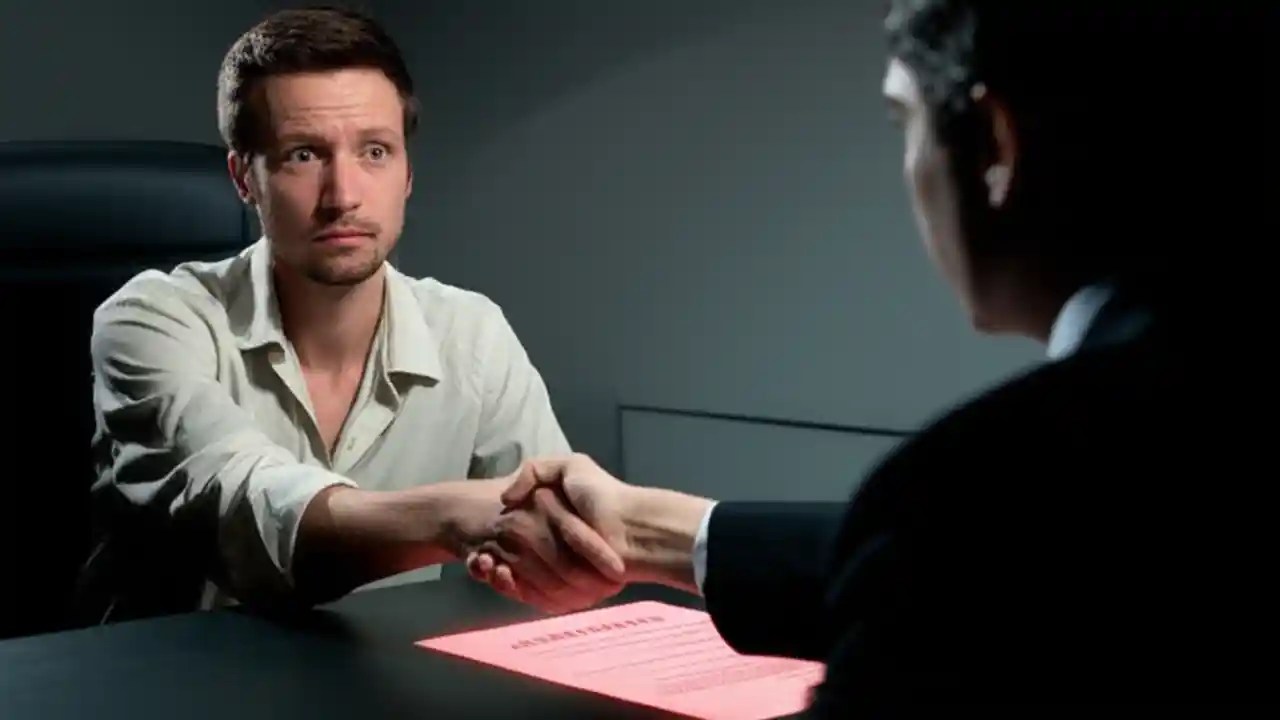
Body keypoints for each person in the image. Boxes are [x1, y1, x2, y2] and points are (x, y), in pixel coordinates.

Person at [470, 0, 1274, 710]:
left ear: (995, 142)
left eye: (904, 122)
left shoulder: (991, 485)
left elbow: (988, 558)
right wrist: (661, 533)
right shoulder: (1028, 501)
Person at [78, 6, 621, 622]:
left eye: (375, 152)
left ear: (408, 172)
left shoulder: (471, 334)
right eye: (304, 155)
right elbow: (240, 506)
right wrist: (449, 516)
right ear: (243, 177)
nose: (343, 196)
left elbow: (551, 544)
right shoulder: (151, 319)